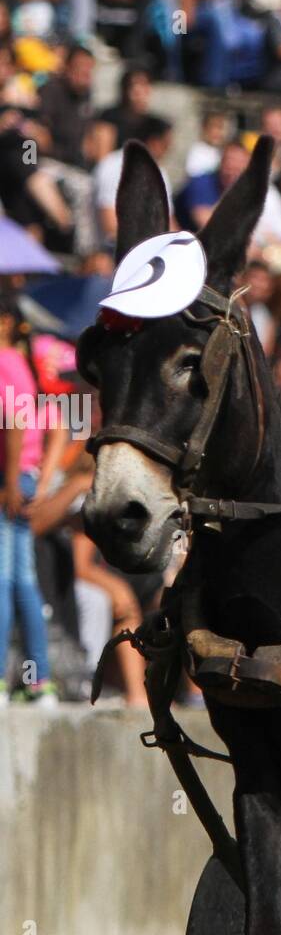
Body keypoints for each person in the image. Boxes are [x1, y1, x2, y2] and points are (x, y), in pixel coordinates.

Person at [0, 300, 66, 706]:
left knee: (4, 580)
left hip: (8, 480)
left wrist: (10, 481)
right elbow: (53, 423)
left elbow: (14, 421)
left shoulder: (5, 360)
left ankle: (6, 682)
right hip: (21, 477)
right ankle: (37, 679)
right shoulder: (22, 361)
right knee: (21, 580)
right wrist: (38, 479)